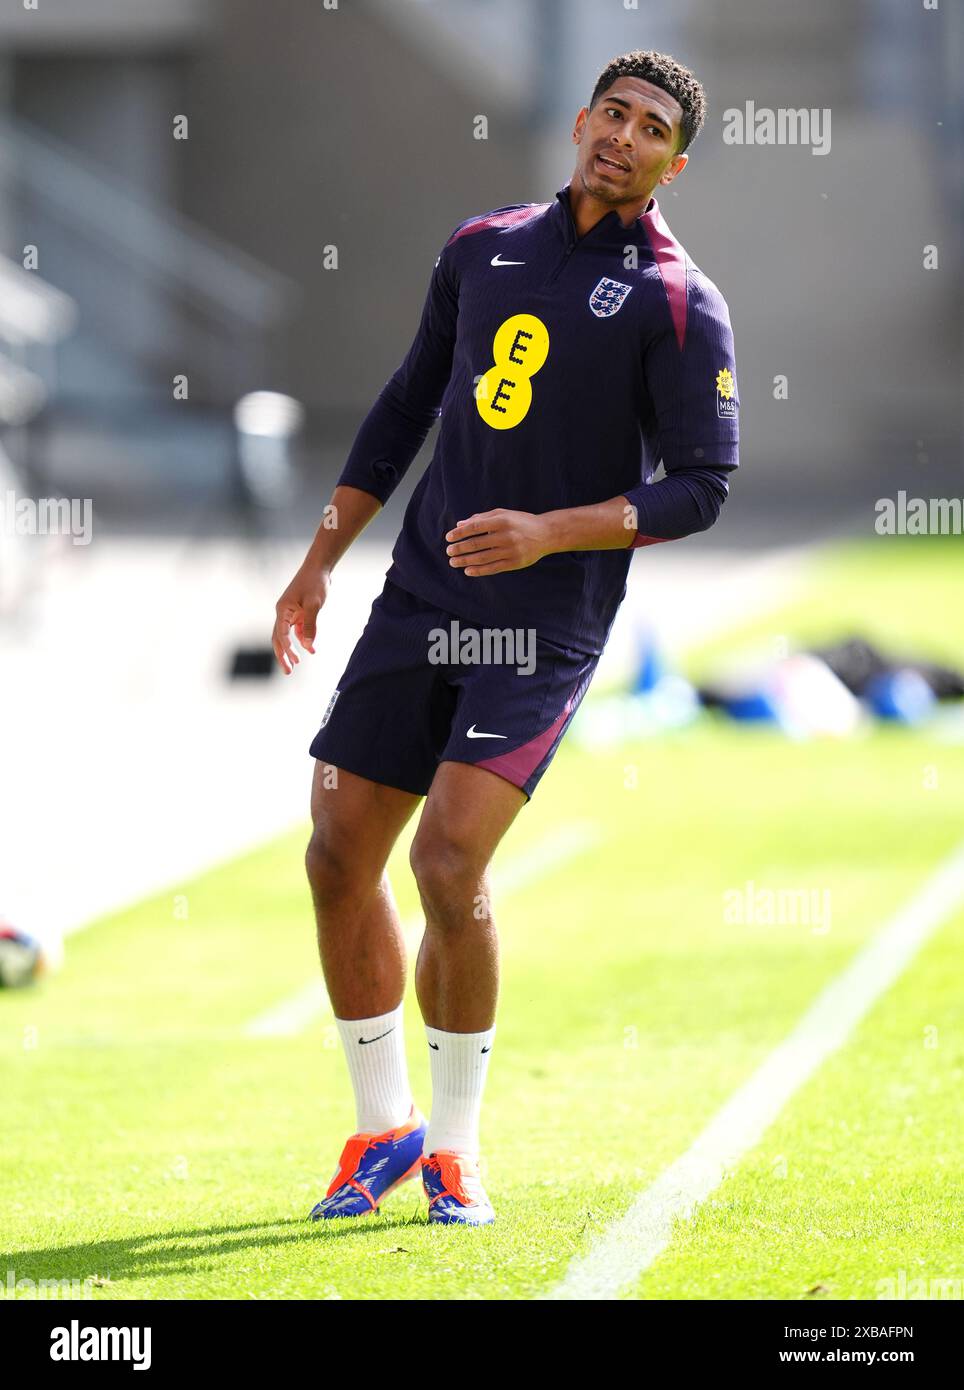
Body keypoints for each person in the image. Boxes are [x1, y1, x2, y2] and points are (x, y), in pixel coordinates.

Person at [272, 49, 739, 1226]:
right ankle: (381, 1133)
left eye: (650, 130)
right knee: (335, 851)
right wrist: (322, 555)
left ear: (673, 165)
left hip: (543, 623)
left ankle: (458, 1152)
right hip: (421, 599)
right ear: (580, 122)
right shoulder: (481, 245)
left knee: (448, 865)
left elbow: (701, 486)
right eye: (612, 115)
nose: (623, 136)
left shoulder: (680, 300)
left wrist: (551, 534)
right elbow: (405, 403)